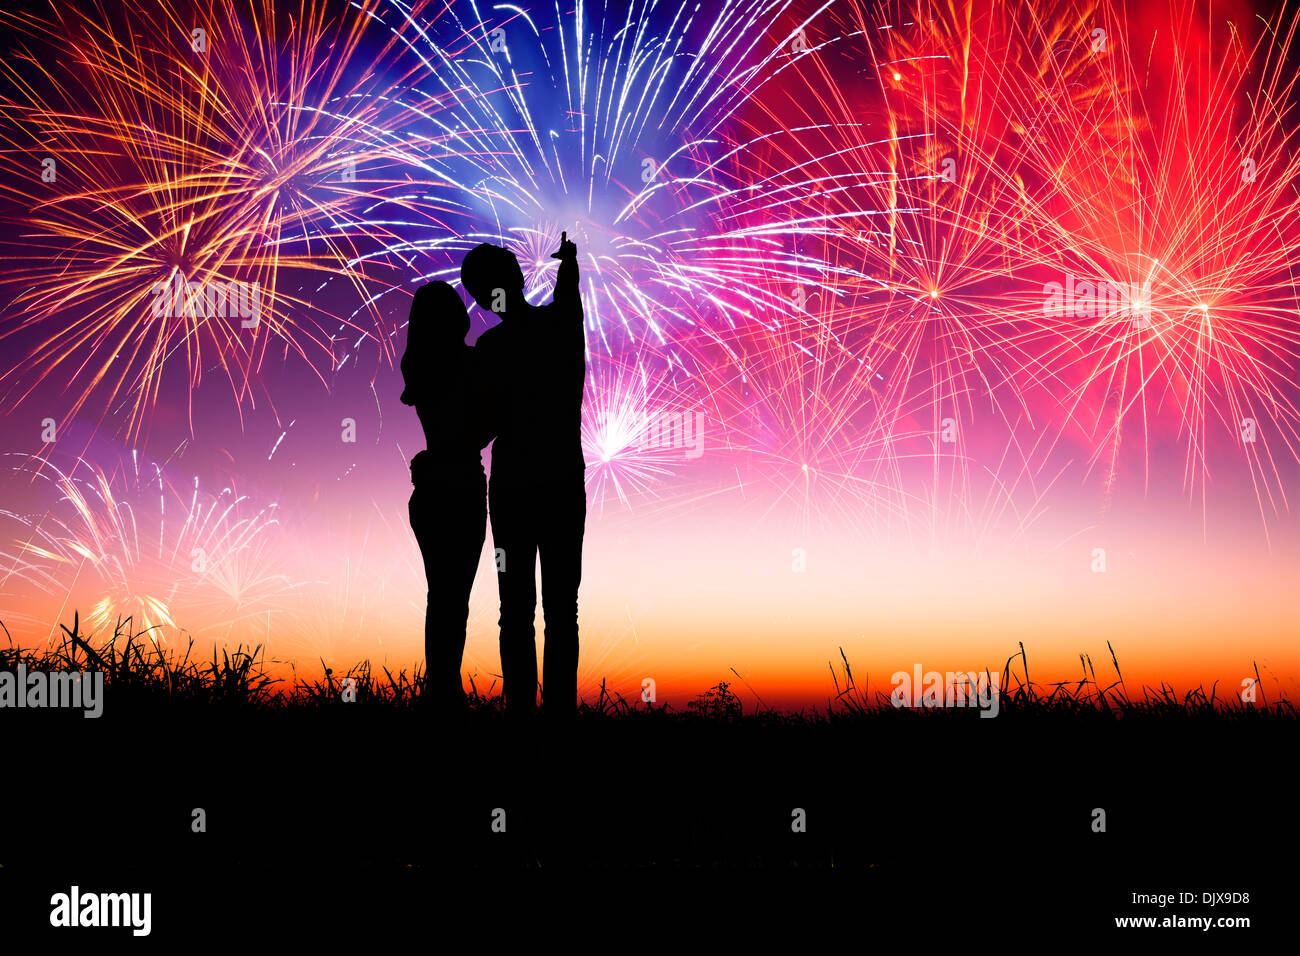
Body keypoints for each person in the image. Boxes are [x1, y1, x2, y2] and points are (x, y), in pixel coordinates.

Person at [460, 232, 586, 719]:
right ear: (515, 276)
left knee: (515, 610)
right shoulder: (561, 324)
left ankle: (521, 718)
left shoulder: (490, 348)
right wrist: (569, 265)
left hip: (512, 491)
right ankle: (557, 719)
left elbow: (480, 429)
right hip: (560, 486)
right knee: (560, 610)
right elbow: (568, 295)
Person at [401, 281, 494, 715]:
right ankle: (443, 694)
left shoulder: (418, 363)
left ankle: (441, 690)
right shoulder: (470, 362)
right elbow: (485, 424)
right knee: (452, 598)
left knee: (442, 596)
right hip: (461, 487)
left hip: (430, 490)